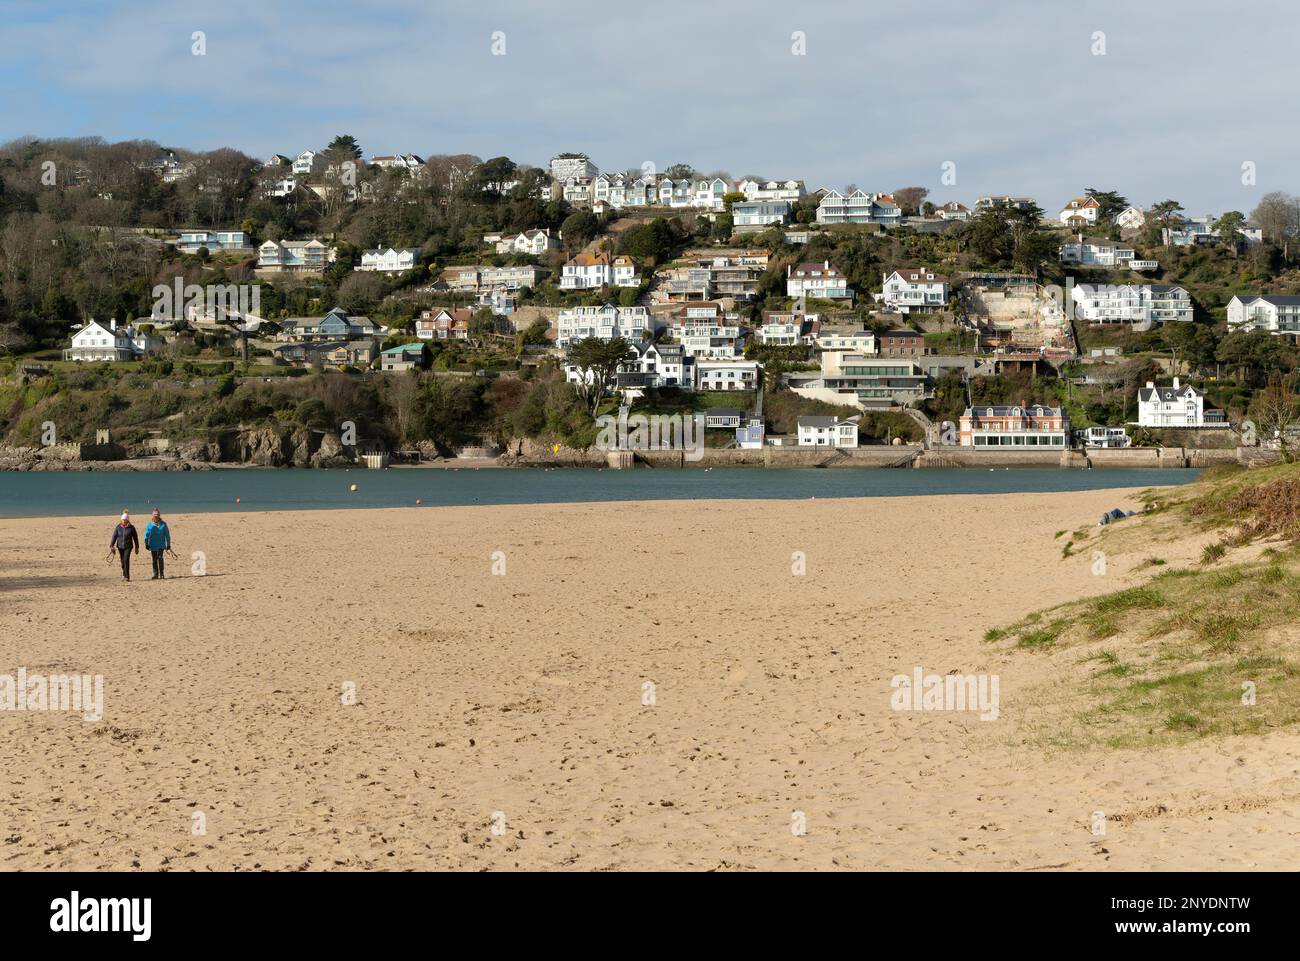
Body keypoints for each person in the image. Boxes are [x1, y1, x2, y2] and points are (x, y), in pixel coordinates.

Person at [106, 511, 139, 581]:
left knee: (126, 559)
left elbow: (135, 538)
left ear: (127, 520)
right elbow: (114, 536)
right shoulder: (118, 527)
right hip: (120, 546)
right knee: (122, 562)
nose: (124, 521)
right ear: (121, 520)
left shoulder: (131, 528)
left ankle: (127, 577)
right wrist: (111, 545)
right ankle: (124, 575)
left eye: (125, 520)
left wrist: (137, 547)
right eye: (123, 520)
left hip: (128, 546)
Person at [143, 508, 172, 579]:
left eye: (157, 516)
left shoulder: (163, 524)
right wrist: (146, 544)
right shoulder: (149, 525)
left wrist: (168, 544)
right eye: (155, 516)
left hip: (161, 545)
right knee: (154, 559)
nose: (156, 517)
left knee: (160, 558)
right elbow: (146, 535)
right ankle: (155, 574)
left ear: (159, 516)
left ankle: (161, 574)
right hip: (152, 545)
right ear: (152, 516)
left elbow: (167, 535)